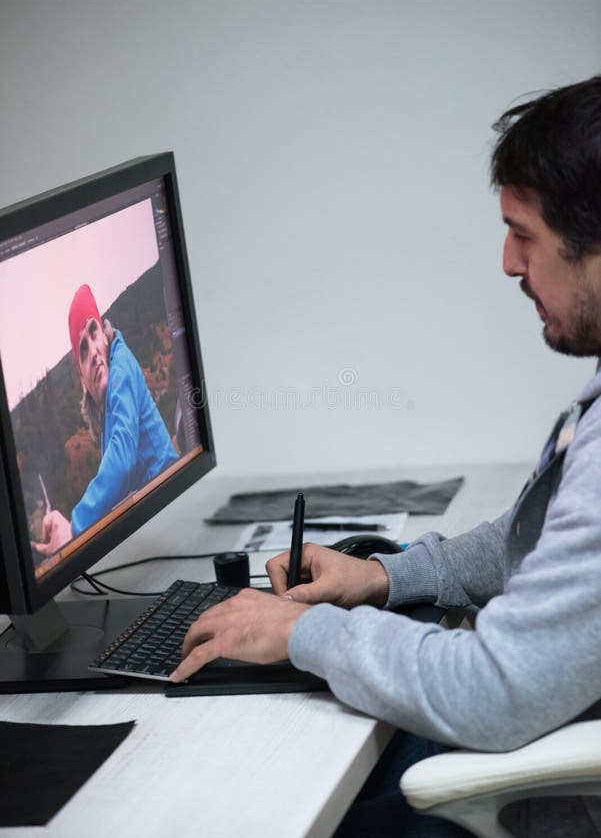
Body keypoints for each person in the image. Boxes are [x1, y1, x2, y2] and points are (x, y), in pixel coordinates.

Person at [170, 76, 601, 836]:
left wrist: (300, 633)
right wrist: (384, 575)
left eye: (522, 233)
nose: (506, 262)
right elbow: (537, 543)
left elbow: (493, 692)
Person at [34, 284, 179, 555]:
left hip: (173, 508)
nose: (95, 355)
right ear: (82, 379)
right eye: (83, 350)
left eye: (93, 332)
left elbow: (121, 458)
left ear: (105, 334)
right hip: (158, 516)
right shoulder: (105, 412)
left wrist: (76, 528)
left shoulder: (121, 367)